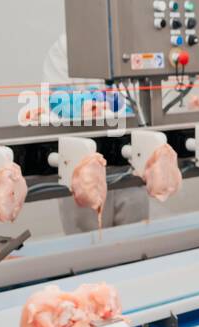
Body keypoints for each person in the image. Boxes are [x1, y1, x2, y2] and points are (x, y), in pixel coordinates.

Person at [41, 33, 152, 232]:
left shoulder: (130, 41)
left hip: (128, 165)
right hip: (80, 166)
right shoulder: (67, 45)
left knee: (134, 242)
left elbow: (144, 96)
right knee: (86, 249)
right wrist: (82, 104)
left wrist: (123, 106)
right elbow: (56, 98)